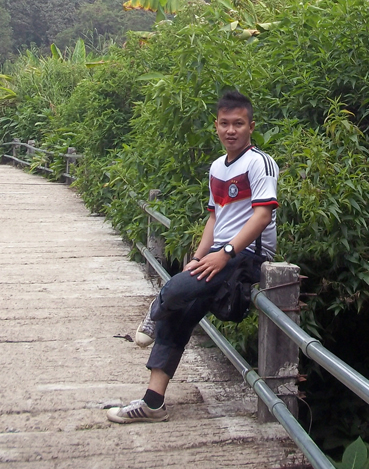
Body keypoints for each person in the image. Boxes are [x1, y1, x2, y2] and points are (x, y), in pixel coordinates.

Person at [107, 90, 278, 424]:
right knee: (177, 316)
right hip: (220, 255)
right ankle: (153, 403)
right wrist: (199, 257)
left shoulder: (260, 163)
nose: (231, 130)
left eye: (238, 124)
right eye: (225, 123)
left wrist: (225, 253)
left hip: (247, 258)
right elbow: (214, 218)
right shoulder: (217, 168)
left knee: (172, 292)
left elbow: (262, 216)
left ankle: (153, 313)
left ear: (251, 127)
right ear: (216, 126)